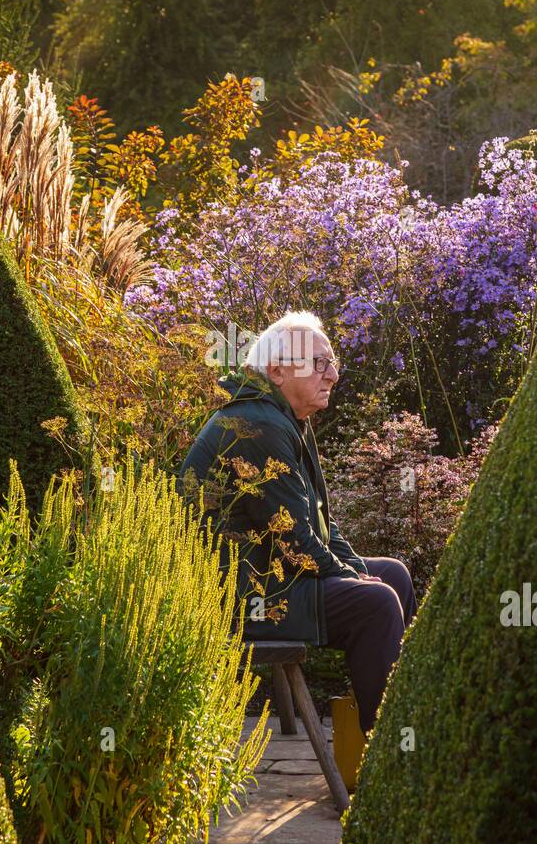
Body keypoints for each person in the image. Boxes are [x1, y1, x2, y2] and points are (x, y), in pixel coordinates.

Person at [178, 310, 417, 734]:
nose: (333, 375)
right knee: (376, 603)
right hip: (236, 593)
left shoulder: (281, 418)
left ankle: (402, 720)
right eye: (319, 363)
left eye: (332, 363)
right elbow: (293, 539)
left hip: (272, 572)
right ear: (277, 370)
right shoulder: (256, 425)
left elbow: (318, 523)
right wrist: (355, 582)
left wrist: (355, 571)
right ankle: (389, 746)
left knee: (390, 575)